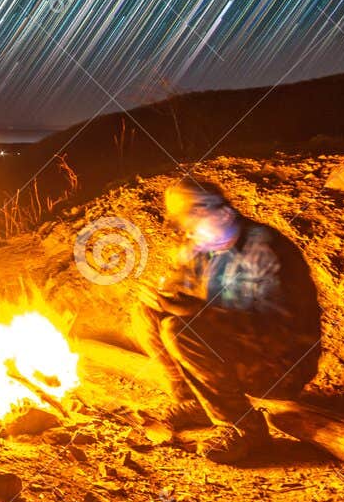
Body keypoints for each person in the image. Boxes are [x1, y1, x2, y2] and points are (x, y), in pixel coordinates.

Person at [131, 177, 321, 464]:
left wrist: (186, 311)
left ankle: (243, 427)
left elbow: (270, 328)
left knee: (179, 330)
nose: (181, 227)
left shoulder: (262, 251)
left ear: (218, 211)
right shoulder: (201, 246)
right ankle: (192, 400)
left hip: (279, 363)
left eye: (188, 216)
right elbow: (181, 294)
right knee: (146, 312)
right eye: (179, 219)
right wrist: (163, 299)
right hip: (232, 349)